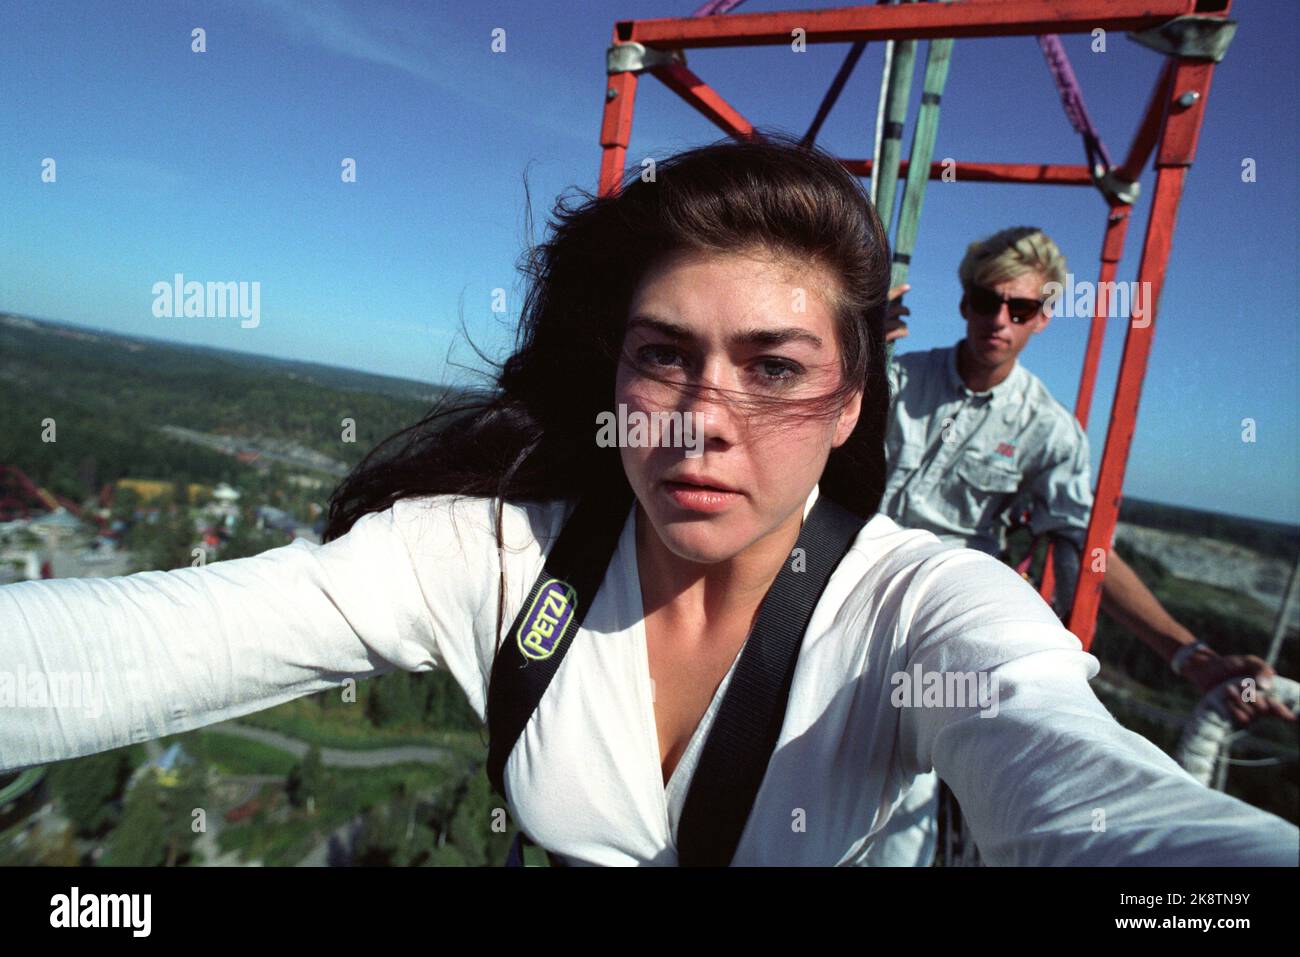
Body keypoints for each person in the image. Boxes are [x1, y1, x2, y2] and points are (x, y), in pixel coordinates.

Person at [1, 136, 1295, 866]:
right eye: (665, 353)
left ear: (852, 408)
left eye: (776, 367)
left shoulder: (928, 609)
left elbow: (1081, 787)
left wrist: (1178, 666)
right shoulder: (499, 558)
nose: (702, 421)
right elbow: (129, 645)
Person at [866, 226, 1295, 866]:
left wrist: (1189, 655)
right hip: (847, 579)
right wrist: (851, 353)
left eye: (1023, 308)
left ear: (1043, 319)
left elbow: (1086, 548)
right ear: (964, 303)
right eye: (988, 300)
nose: (1000, 320)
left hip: (938, 612)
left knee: (896, 828)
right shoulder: (893, 379)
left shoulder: (1047, 431)